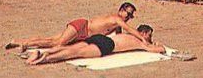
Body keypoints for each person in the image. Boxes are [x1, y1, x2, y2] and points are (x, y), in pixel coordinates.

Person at [5, 3, 148, 52]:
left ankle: (19, 41)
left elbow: (119, 38)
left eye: (131, 16)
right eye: (128, 14)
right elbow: (130, 30)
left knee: (52, 39)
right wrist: (143, 39)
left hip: (84, 33)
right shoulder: (117, 19)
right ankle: (25, 44)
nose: (128, 17)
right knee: (57, 43)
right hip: (81, 26)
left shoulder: (117, 24)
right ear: (121, 10)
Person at [26, 25, 166, 65]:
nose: (150, 37)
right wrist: (158, 45)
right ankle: (44, 59)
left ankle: (46, 52)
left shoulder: (129, 35)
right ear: (144, 33)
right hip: (107, 45)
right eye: (150, 35)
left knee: (71, 48)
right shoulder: (140, 41)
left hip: (100, 38)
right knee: (74, 54)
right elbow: (158, 49)